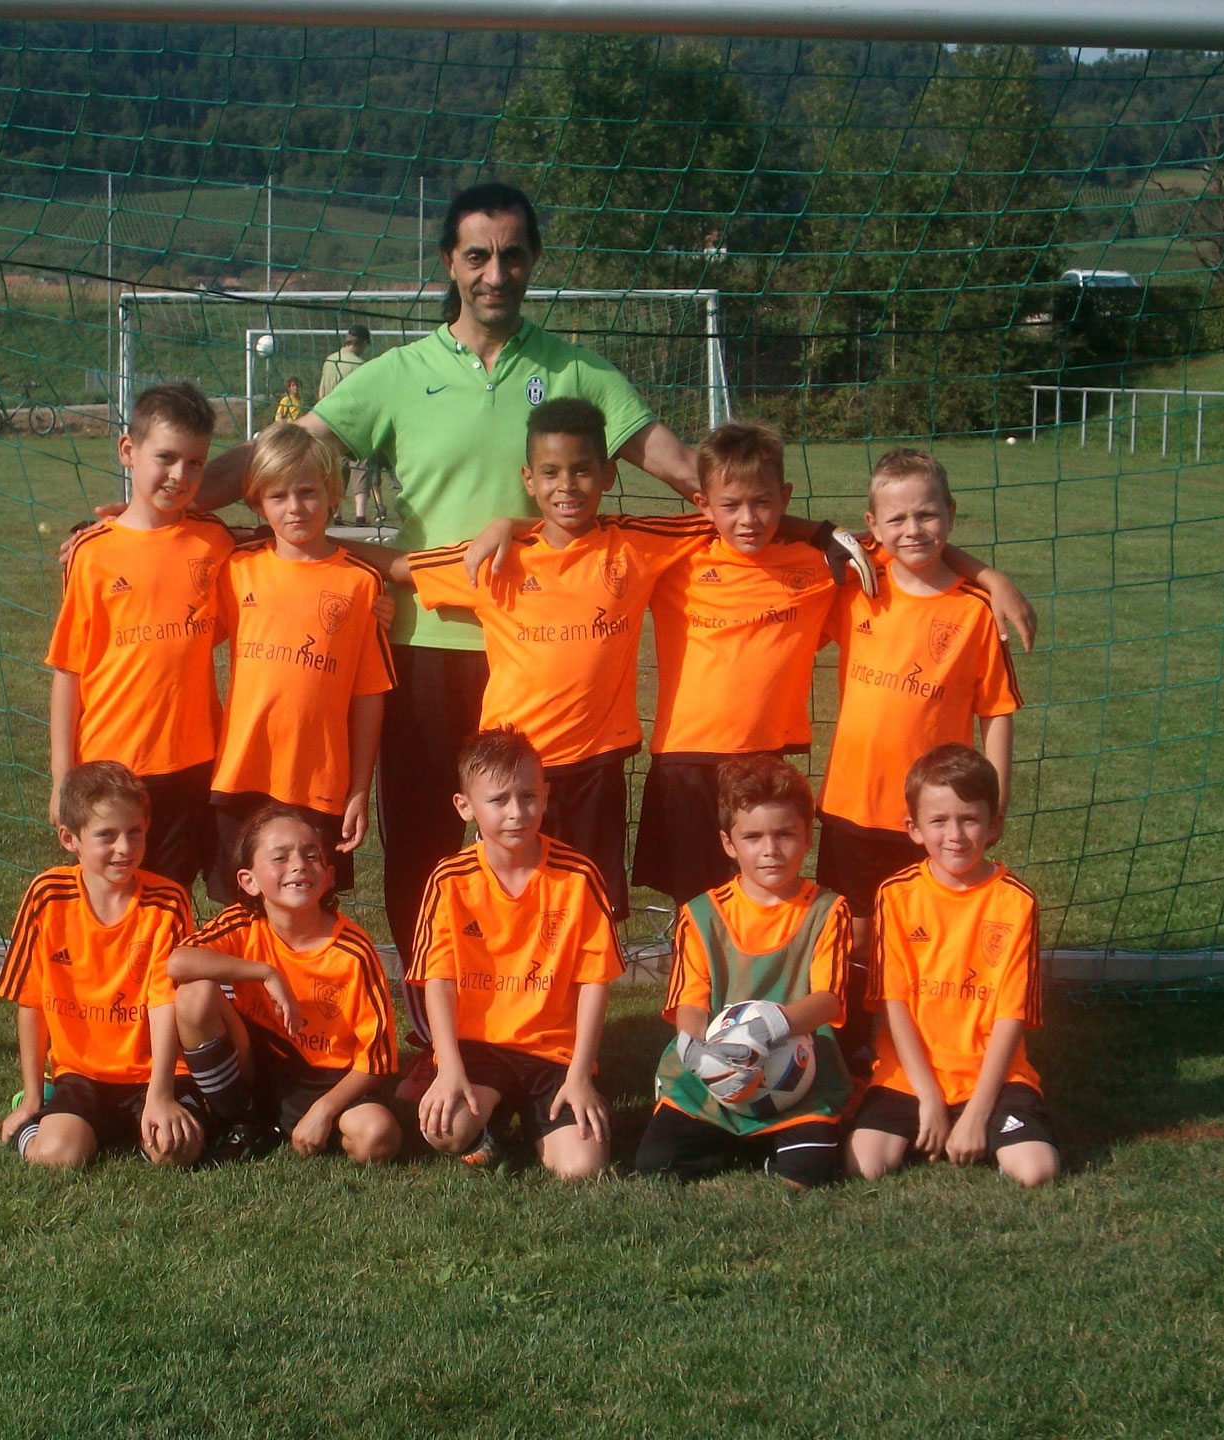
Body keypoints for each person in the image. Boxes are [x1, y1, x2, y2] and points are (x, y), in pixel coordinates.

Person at [186, 184, 982, 1007]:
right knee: (425, 846)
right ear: (449, 264)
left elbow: (696, 477)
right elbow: (272, 459)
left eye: (512, 255)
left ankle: (547, 1014)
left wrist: (809, 528)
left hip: (544, 676)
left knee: (548, 858)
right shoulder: (394, 375)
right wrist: (167, 503)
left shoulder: (578, 371)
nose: (496, 272)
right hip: (430, 647)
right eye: (477, 256)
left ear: (532, 261)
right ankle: (433, 1019)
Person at [346, 397, 711, 914]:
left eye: (583, 471)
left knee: (588, 912)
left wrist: (824, 535)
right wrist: (314, 543)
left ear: (608, 475)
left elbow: (729, 515)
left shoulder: (636, 544)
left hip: (594, 768)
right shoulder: (498, 558)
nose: (567, 486)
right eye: (551, 472)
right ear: (528, 478)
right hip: (510, 772)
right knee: (509, 909)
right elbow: (404, 567)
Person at [818, 448, 1022, 1072]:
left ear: (951, 516)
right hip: (851, 800)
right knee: (849, 931)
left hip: (934, 815)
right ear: (872, 526)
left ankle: (923, 1043)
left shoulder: (972, 613)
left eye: (928, 515)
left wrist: (996, 803)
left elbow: (998, 714)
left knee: (920, 930)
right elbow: (806, 552)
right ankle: (848, 1039)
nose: (913, 531)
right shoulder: (856, 587)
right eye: (897, 519)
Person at [631, 420, 840, 908]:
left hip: (764, 760)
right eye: (730, 505)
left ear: (784, 498)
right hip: (686, 761)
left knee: (760, 896)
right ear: (703, 504)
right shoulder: (674, 560)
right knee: (698, 906)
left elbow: (894, 550)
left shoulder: (815, 567)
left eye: (763, 503)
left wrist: (989, 580)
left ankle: (756, 986)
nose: (748, 519)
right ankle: (693, 984)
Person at [405, 726, 619, 1180]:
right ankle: (490, 1121)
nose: (516, 813)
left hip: (552, 1053)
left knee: (581, 1169)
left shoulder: (578, 876)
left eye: (527, 796)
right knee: (445, 1131)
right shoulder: (449, 880)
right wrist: (448, 1069)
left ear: (545, 794)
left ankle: (536, 1119)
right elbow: (438, 982)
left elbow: (594, 982)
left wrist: (581, 1075)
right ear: (466, 808)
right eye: (498, 800)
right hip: (479, 1048)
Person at [46, 381, 232, 891]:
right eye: (166, 457)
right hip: (113, 767)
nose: (180, 475)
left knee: (171, 900)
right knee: (116, 898)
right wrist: (63, 777)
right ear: (128, 451)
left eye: (196, 463)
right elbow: (69, 671)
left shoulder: (214, 542)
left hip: (195, 762)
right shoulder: (92, 554)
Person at [846, 744, 1058, 1188]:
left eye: (969, 819)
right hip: (911, 1074)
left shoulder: (1016, 902)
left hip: (992, 1078)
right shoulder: (896, 896)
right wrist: (928, 1098)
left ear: (993, 824)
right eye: (939, 821)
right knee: (864, 1163)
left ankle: (981, 1129)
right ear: (914, 829)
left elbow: (1011, 1015)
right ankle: (927, 1120)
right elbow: (894, 1004)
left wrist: (977, 1114)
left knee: (1038, 1171)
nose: (955, 835)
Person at [636, 755, 853, 1188]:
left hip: (799, 1071)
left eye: (785, 834)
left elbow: (830, 999)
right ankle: (735, 1137)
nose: (770, 849)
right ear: (728, 843)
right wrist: (701, 1053)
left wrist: (768, 1028)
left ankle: (764, 1147)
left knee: (809, 1172)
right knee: (655, 1164)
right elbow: (690, 1003)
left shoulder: (828, 910)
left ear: (807, 836)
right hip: (717, 1072)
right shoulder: (701, 913)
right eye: (752, 837)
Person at [208, 421, 394, 910]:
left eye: (308, 491)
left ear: (333, 493)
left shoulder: (360, 584)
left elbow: (368, 695)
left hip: (319, 785)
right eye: (278, 496)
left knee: (309, 916)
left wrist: (359, 789)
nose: (295, 508)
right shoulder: (237, 570)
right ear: (256, 503)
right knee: (240, 916)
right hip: (240, 773)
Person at [0, 761, 207, 1170]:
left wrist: (160, 1094)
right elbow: (31, 1002)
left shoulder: (168, 901)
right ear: (69, 839)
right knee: (57, 1157)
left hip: (152, 1074)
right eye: (106, 836)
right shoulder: (46, 896)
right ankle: (49, 1116)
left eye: (135, 833)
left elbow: (166, 1004)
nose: (124, 848)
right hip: (82, 1074)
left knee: (176, 1154)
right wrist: (33, 1096)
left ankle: (152, 1116)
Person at [167, 804, 401, 1164]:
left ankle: (305, 1121)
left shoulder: (353, 952)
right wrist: (265, 973)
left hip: (327, 1080)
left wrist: (324, 1110)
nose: (298, 865)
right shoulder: (242, 922)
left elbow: (378, 1060)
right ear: (249, 881)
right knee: (194, 992)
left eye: (311, 856)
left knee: (377, 1137)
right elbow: (178, 962)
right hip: (257, 1065)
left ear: (328, 877)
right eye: (280, 857)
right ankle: (239, 1120)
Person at [317, 323, 370, 403]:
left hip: (326, 410)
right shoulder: (360, 365)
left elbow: (321, 393)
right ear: (364, 343)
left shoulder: (330, 359)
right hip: (346, 412)